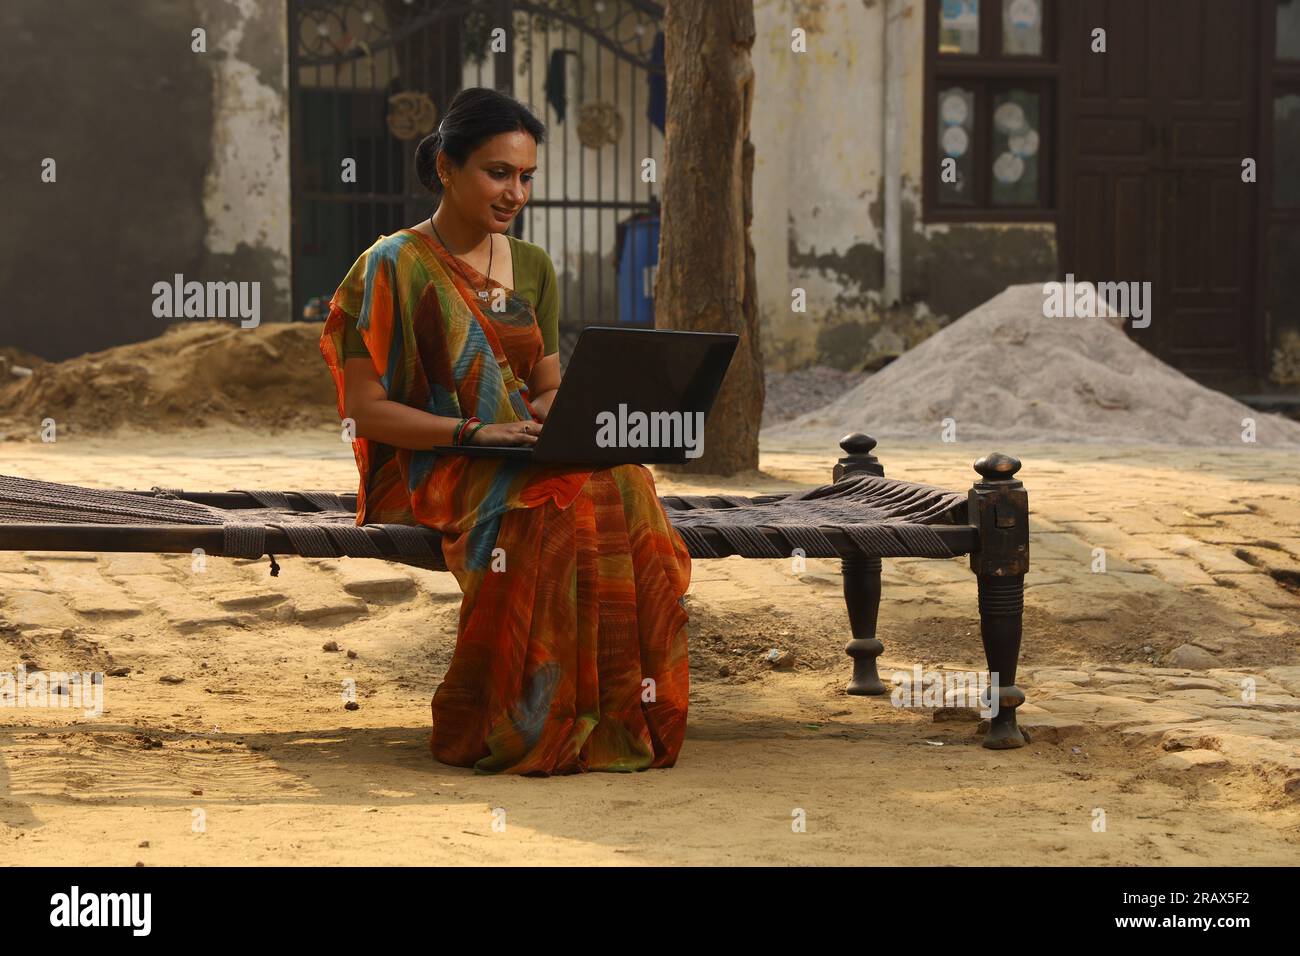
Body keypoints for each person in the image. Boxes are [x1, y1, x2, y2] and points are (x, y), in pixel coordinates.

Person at [319, 87, 692, 775]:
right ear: (447, 169)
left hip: (522, 450)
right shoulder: (389, 267)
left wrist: (558, 416)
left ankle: (609, 715)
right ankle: (524, 714)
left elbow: (545, 385)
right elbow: (365, 411)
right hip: (433, 462)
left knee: (622, 482)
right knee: (551, 503)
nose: (515, 192)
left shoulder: (534, 268)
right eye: (498, 172)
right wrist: (475, 433)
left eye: (526, 177)